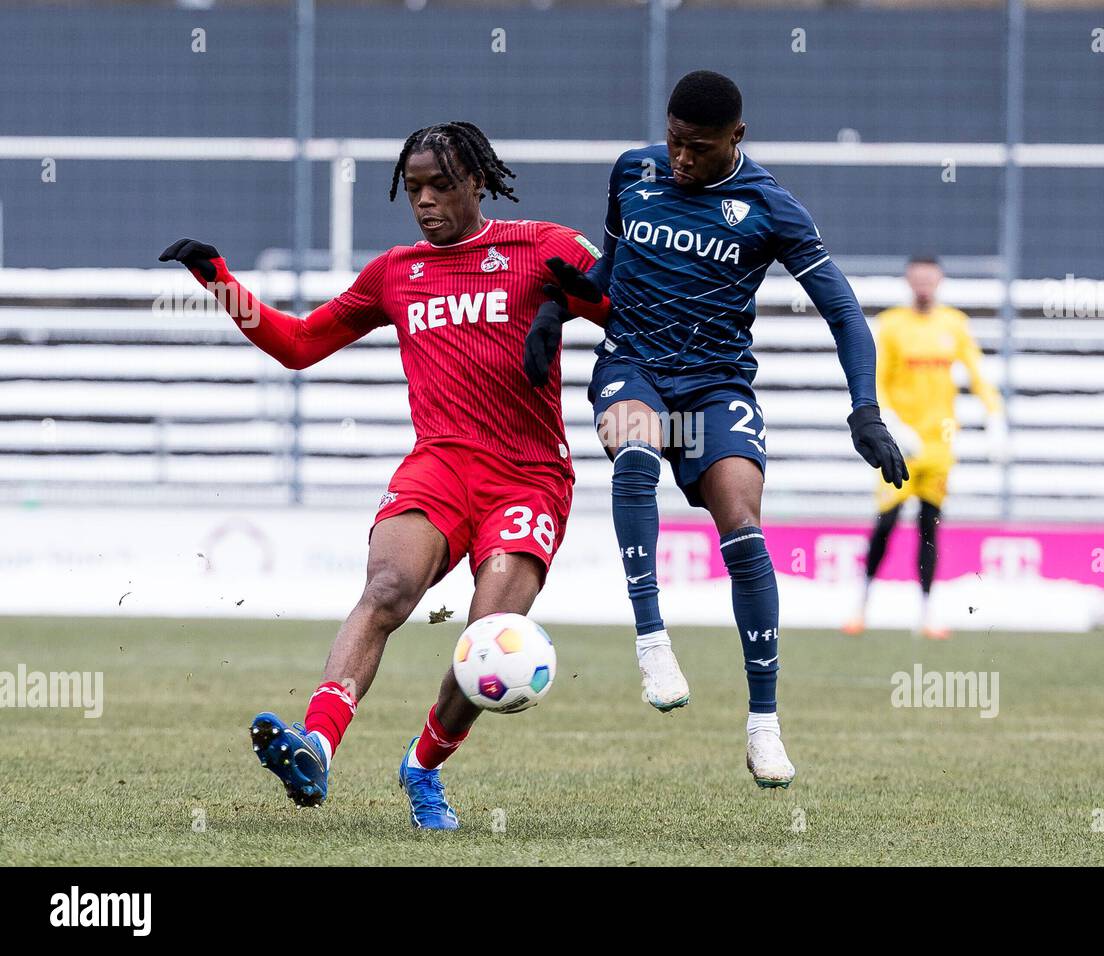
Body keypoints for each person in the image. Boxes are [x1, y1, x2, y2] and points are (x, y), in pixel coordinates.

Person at [159, 121, 605, 829]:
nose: (425, 201)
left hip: (528, 478)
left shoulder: (541, 246)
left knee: (488, 635)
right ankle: (316, 746)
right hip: (441, 465)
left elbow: (623, 304)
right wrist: (220, 282)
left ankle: (422, 768)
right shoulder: (396, 272)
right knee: (389, 588)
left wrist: (562, 306)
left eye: (441, 185)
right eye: (414, 188)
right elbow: (301, 345)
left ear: (478, 183)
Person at [531, 71, 906, 789]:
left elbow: (846, 312)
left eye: (697, 148)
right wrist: (560, 303)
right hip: (634, 366)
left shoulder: (771, 209)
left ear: (736, 138)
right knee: (634, 452)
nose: (679, 159)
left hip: (713, 388)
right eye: (673, 140)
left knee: (741, 521)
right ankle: (651, 638)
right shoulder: (633, 171)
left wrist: (864, 408)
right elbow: (612, 274)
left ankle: (763, 724)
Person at [844, 255, 1006, 639]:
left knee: (929, 525)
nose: (923, 286)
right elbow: (878, 378)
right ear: (908, 281)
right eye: (917, 279)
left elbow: (978, 373)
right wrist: (895, 425)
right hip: (899, 446)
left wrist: (994, 415)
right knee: (885, 523)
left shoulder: (954, 324)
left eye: (929, 279)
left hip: (939, 445)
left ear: (939, 281)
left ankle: (927, 611)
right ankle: (862, 604)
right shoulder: (893, 325)